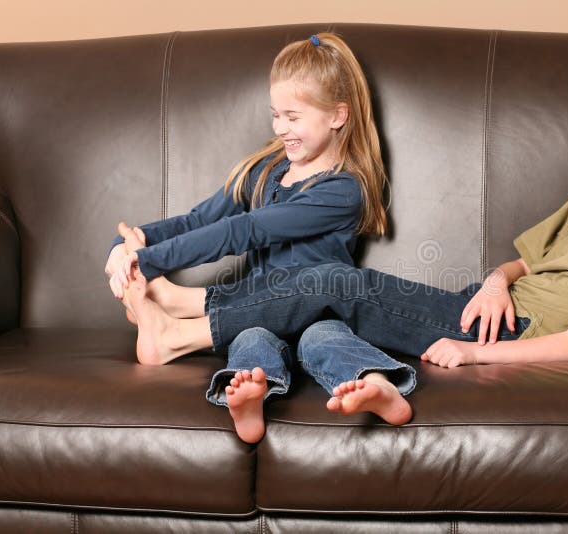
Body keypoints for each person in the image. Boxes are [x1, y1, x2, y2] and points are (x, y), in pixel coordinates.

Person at [122, 111, 568, 421]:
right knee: (322, 327)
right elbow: (521, 264)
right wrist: (499, 280)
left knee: (335, 282)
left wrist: (476, 351)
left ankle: (179, 329)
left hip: (501, 335)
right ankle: (380, 385)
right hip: (483, 306)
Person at [105, 33, 414, 443]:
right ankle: (250, 398)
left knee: (327, 339)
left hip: (318, 312)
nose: (280, 128)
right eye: (275, 115)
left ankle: (378, 386)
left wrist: (148, 263)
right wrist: (133, 242)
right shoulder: (265, 169)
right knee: (251, 341)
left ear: (337, 115)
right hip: (252, 313)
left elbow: (248, 229)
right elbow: (199, 219)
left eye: (293, 116)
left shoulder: (344, 189)